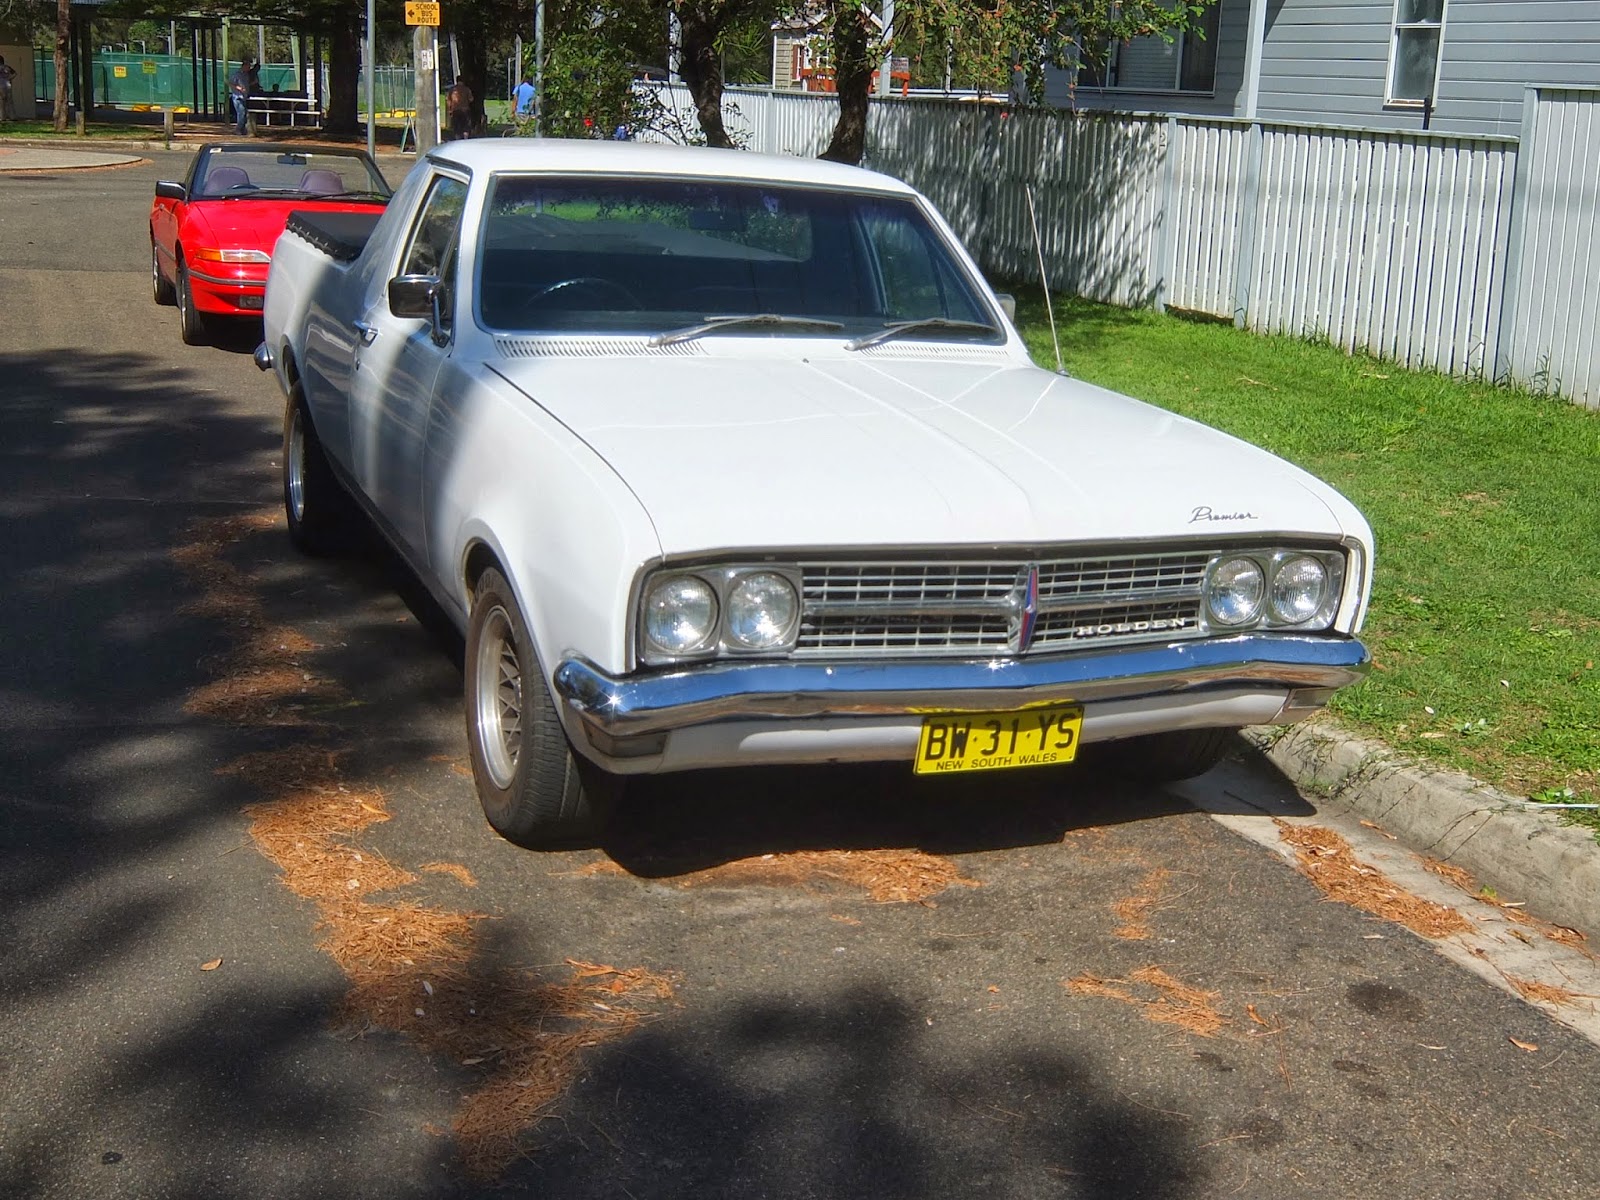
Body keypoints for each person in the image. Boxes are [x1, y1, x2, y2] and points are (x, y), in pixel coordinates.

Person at [229, 57, 255, 136]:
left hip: (244, 96)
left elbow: (246, 85)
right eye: (248, 67)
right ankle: (238, 129)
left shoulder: (246, 75)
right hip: (238, 97)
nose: (249, 68)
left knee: (244, 114)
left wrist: (253, 83)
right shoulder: (237, 74)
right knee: (241, 113)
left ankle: (242, 129)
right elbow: (230, 83)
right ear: (244, 66)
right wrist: (239, 88)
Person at [0, 56, 16, 124]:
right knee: (10, 102)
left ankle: (3, 117)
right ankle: (12, 117)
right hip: (8, 85)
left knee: (2, 102)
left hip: (0, 85)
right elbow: (15, 74)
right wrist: (9, 78)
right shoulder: (7, 67)